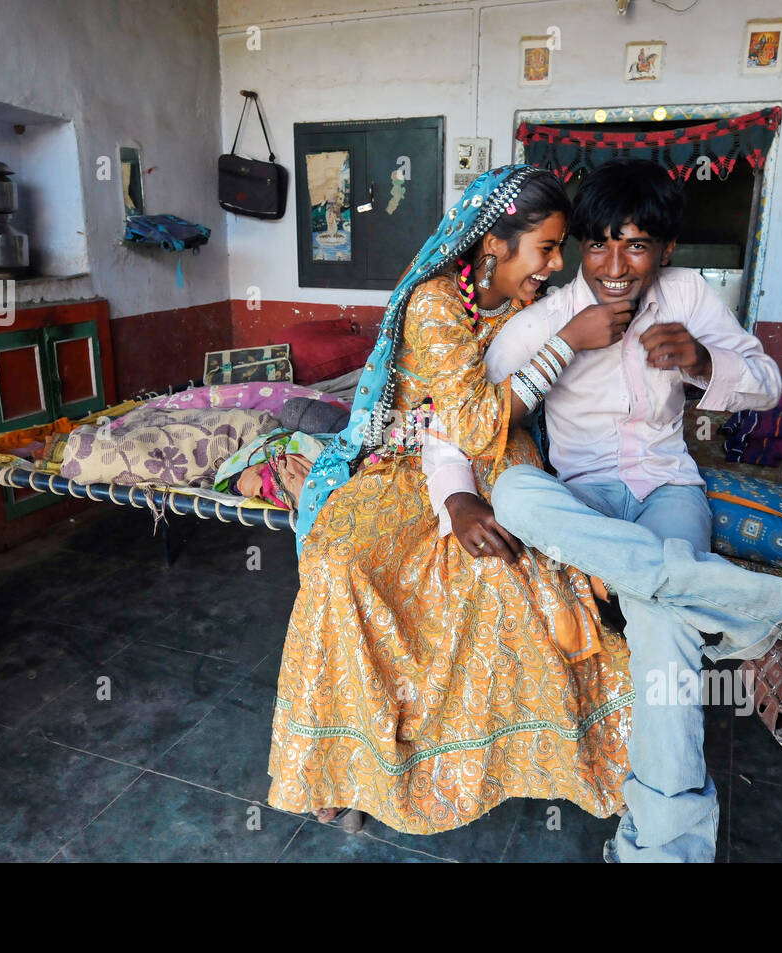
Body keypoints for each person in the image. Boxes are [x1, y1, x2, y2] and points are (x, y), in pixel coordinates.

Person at [424, 158, 782, 861]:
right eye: (598, 244)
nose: (614, 265)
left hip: (665, 490)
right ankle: (738, 604)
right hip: (582, 496)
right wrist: (460, 498)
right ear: (581, 245)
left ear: (666, 250)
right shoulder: (547, 320)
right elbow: (454, 421)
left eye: (637, 244)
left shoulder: (690, 296)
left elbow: (768, 383)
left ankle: (663, 849)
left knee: (660, 622)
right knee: (520, 494)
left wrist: (705, 361)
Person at [269, 165, 640, 834]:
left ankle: (521, 760)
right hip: (404, 465)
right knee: (339, 567)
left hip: (506, 461)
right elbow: (467, 423)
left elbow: (496, 433)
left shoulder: (538, 307)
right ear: (495, 241)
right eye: (546, 248)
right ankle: (345, 765)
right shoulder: (438, 302)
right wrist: (567, 344)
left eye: (560, 250)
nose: (556, 266)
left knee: (508, 577)